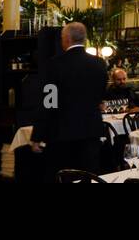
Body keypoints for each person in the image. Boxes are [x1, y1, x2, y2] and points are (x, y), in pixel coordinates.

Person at [30, 22, 108, 176]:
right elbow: (101, 96)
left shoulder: (54, 65)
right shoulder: (99, 64)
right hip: (91, 131)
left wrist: (37, 135)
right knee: (89, 176)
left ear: (66, 39)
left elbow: (49, 102)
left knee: (64, 176)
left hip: (62, 134)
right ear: (84, 39)